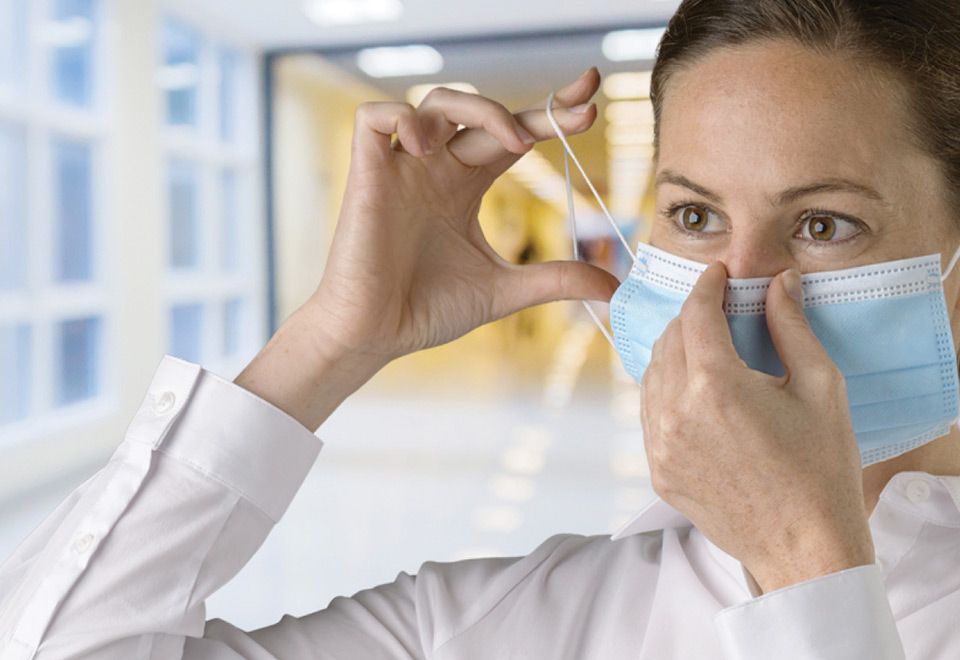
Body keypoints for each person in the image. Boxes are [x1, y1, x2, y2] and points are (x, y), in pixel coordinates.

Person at [3, 0, 960, 657]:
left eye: (824, 225)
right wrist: (338, 336)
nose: (734, 289)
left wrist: (808, 566)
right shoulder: (528, 618)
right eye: (696, 216)